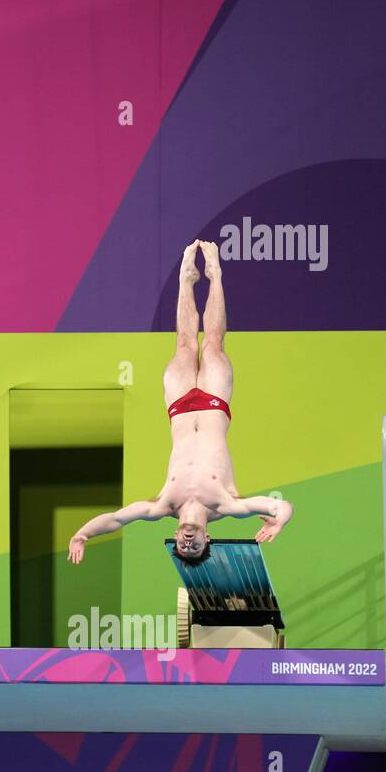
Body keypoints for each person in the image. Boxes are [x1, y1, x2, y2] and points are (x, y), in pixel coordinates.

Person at [68, 240, 294, 566]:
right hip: (214, 402)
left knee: (184, 344)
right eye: (195, 546)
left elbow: (117, 518)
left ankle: (186, 279)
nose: (188, 542)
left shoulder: (162, 505)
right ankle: (215, 275)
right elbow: (281, 506)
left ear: (176, 537)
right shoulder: (226, 505)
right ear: (207, 538)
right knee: (213, 345)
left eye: (183, 547)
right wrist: (279, 520)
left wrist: (83, 534)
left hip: (179, 404)